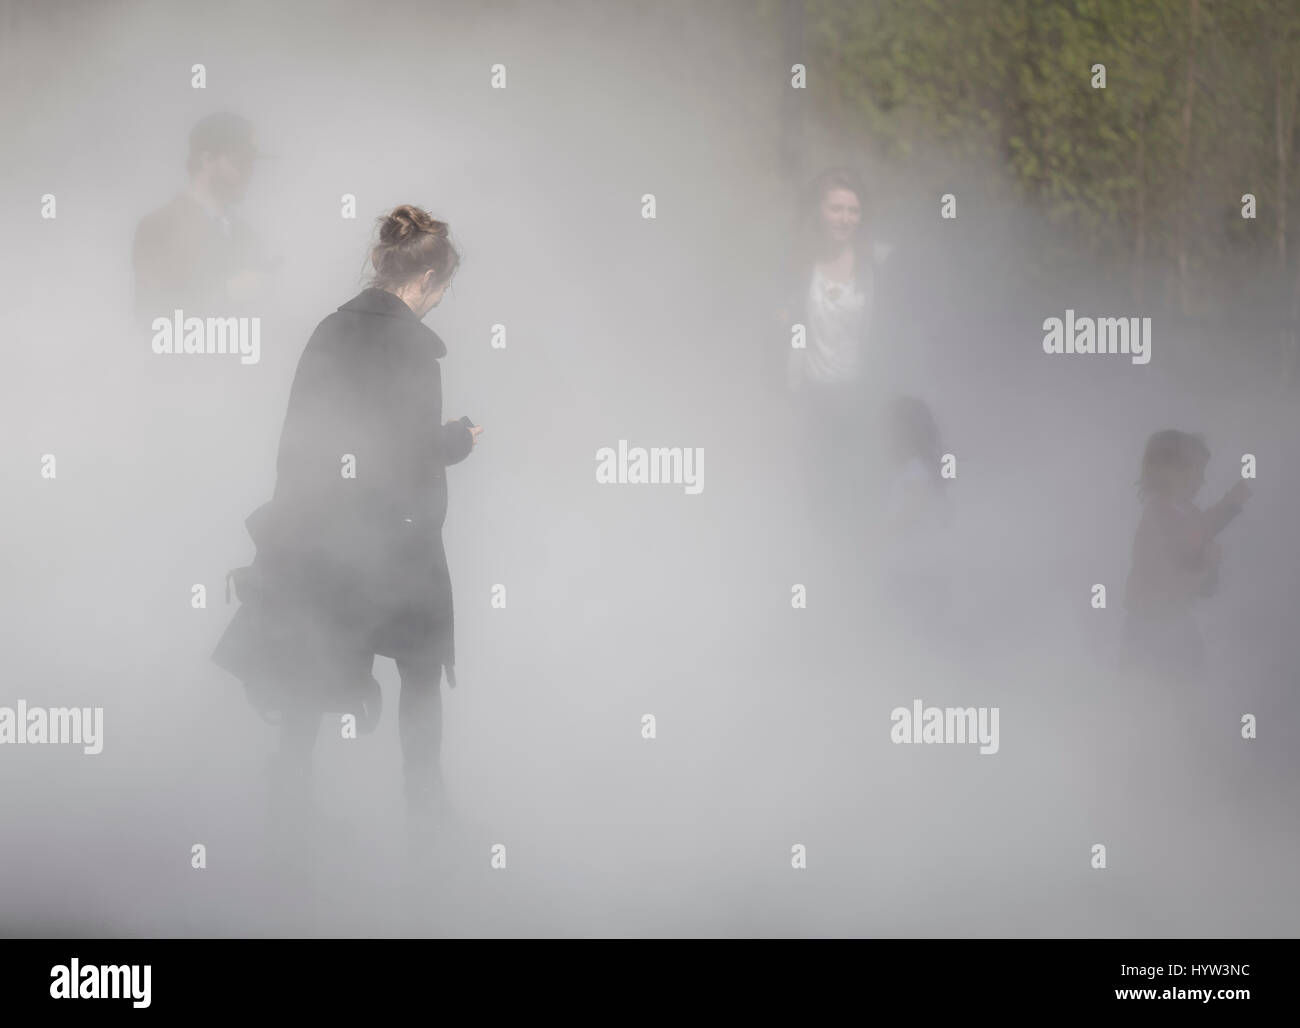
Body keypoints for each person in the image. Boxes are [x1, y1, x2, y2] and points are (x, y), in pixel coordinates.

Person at [212, 204, 482, 832]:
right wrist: (458, 439)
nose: (441, 302)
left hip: (318, 534)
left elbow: (301, 442)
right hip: (397, 543)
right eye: (442, 289)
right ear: (422, 282)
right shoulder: (412, 346)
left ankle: (289, 797)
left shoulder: (328, 330)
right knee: (418, 672)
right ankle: (427, 812)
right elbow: (403, 452)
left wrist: (291, 531)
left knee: (310, 661)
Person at [776, 167, 896, 573]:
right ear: (819, 211)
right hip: (809, 399)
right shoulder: (795, 263)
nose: (845, 218)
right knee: (811, 494)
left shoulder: (880, 265)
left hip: (862, 398)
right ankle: (812, 577)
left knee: (859, 491)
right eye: (836, 208)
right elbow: (781, 328)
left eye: (853, 210)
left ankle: (857, 579)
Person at [1121, 430, 1250, 688]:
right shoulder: (1159, 518)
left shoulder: (1183, 511)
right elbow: (1167, 582)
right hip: (1153, 629)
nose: (1203, 481)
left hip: (1172, 623)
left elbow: (1201, 529)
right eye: (1197, 471)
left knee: (1187, 687)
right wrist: (1206, 566)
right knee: (1163, 697)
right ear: (1170, 472)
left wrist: (1231, 504)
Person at [132, 112, 279, 321]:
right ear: (207, 160)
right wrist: (227, 294)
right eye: (241, 161)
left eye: (252, 162)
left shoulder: (247, 236)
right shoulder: (159, 226)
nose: (250, 171)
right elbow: (151, 318)